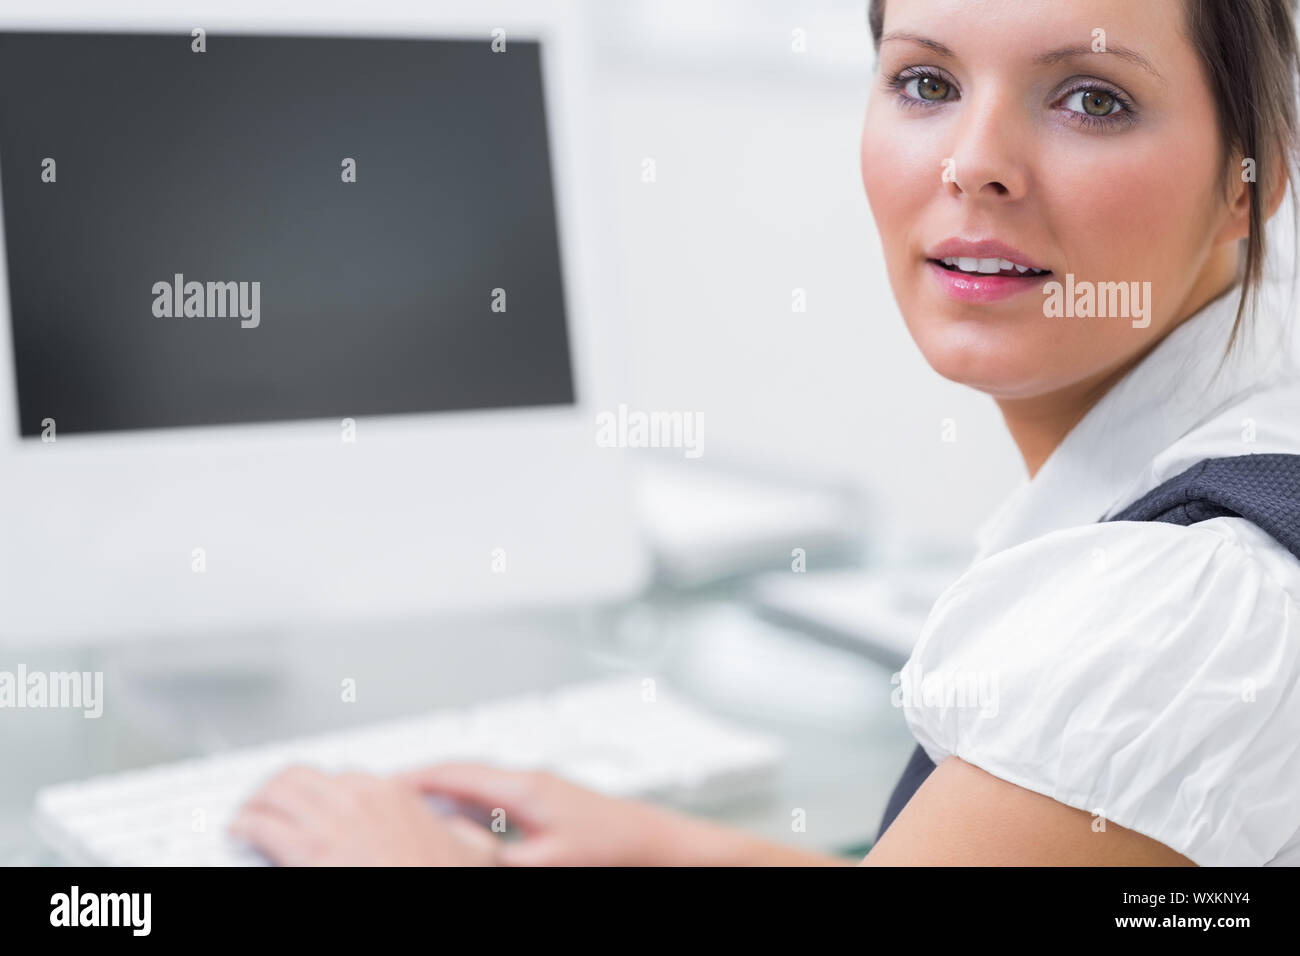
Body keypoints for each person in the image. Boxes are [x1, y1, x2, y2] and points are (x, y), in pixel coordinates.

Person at [228, 0, 1300, 865]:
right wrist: (673, 845)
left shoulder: (1193, 610)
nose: (973, 163)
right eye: (925, 81)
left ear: (1252, 179)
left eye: (1092, 99)